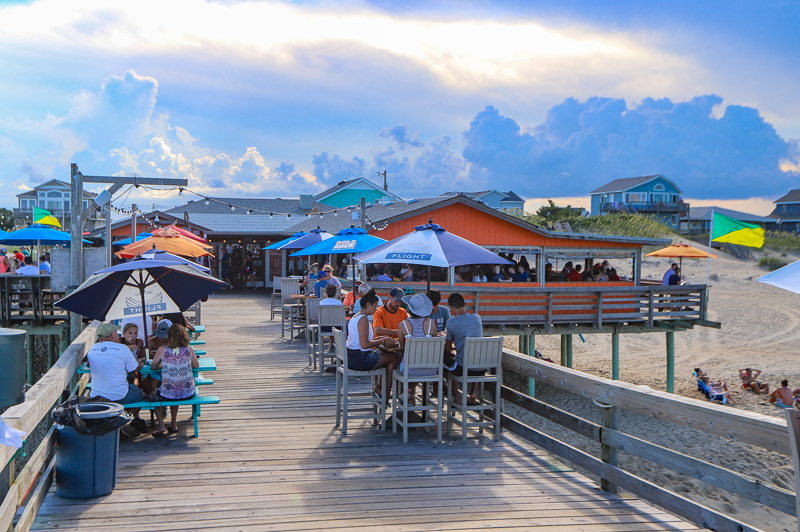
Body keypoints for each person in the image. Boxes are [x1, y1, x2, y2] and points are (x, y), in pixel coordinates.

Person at [345, 290, 400, 394]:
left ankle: (380, 388)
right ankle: (384, 393)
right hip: (360, 359)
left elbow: (364, 340)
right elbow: (364, 345)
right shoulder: (363, 320)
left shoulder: (355, 317)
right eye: (375, 306)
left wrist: (381, 339)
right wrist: (382, 341)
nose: (376, 309)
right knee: (394, 358)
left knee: (387, 356)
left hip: (351, 357)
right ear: (368, 305)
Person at [150, 324, 199, 437]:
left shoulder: (163, 349)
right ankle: (173, 423)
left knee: (153, 397)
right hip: (187, 391)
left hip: (169, 392)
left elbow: (153, 366)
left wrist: (165, 364)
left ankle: (162, 426)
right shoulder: (188, 348)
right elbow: (196, 365)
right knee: (175, 390)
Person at [86, 323, 144, 405]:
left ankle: (117, 415)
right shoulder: (122, 348)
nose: (118, 334)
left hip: (97, 395)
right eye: (116, 332)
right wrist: (140, 364)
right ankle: (126, 415)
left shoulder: (92, 349)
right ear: (113, 335)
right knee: (140, 394)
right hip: (119, 395)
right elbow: (135, 368)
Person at [444, 292, 484, 404]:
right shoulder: (477, 318)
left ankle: (458, 397)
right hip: (481, 368)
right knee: (476, 358)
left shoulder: (451, 322)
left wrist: (454, 349)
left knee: (445, 368)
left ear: (452, 308)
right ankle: (473, 392)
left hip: (464, 368)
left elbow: (447, 348)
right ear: (464, 304)